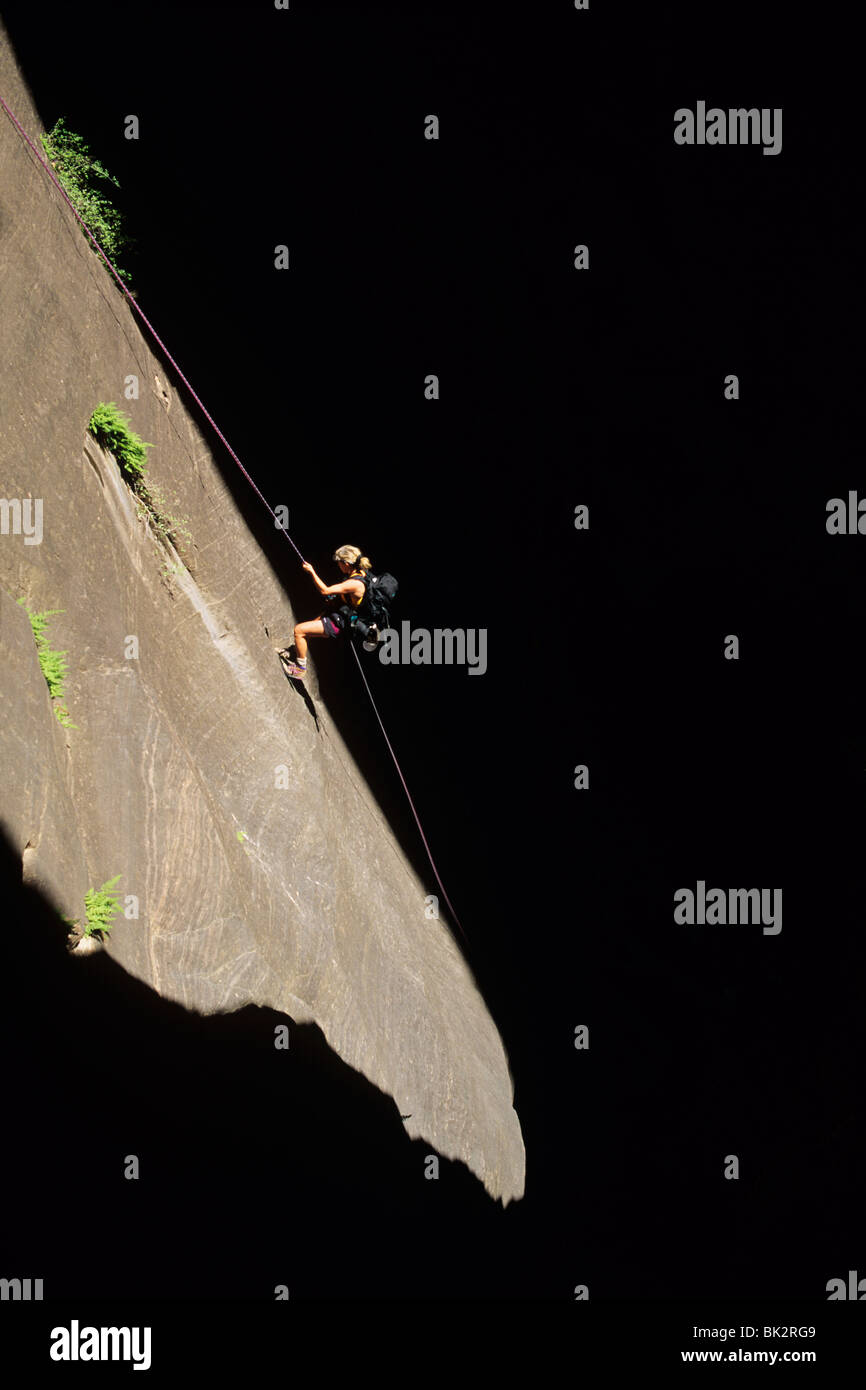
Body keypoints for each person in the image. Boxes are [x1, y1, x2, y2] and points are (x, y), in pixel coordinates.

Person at [277, 545, 372, 678]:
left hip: (339, 622)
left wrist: (312, 572)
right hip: (338, 612)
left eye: (339, 563)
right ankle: (294, 652)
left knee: (299, 631)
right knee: (308, 632)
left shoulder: (355, 583)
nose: (338, 566)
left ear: (346, 563)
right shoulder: (360, 572)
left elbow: (325, 591)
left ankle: (300, 669)